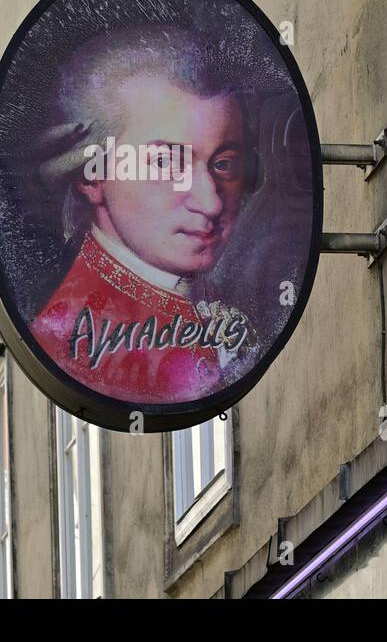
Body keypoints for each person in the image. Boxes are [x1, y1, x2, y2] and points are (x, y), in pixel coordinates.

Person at [30, 27, 255, 404]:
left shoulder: (221, 304)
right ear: (92, 175)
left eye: (224, 163)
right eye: (166, 162)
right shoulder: (70, 337)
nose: (211, 202)